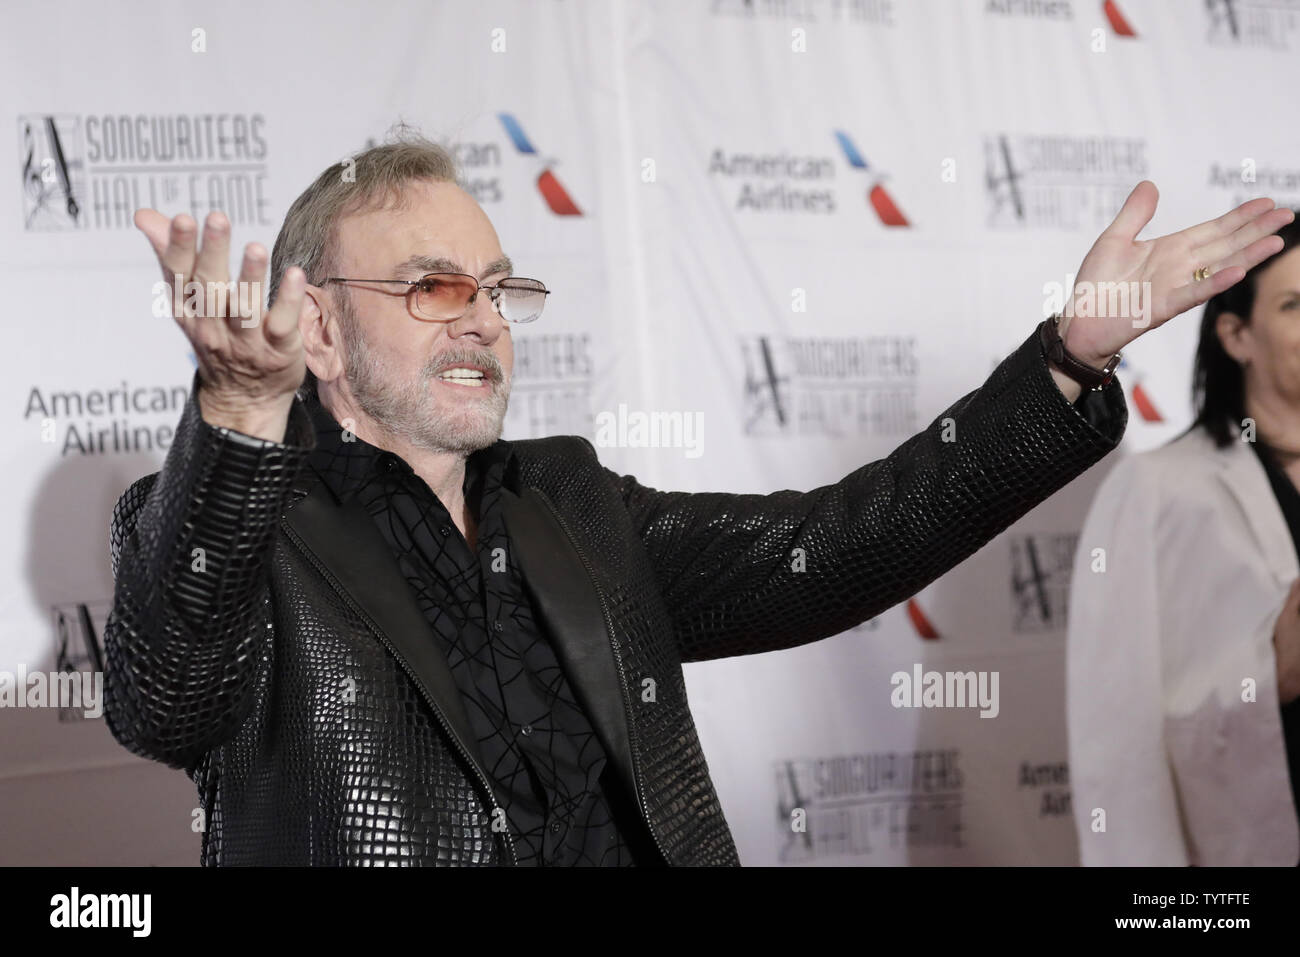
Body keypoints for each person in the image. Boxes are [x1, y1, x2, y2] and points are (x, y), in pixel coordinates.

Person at [102, 128, 1294, 866]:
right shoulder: (228, 521)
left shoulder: (567, 500)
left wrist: (1065, 362)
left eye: (499, 288)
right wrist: (242, 416)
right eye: (432, 285)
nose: (480, 314)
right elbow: (163, 700)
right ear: (315, 324)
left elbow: (834, 549)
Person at [1068, 215, 1300, 867]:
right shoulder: (1155, 490)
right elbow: (1119, 737)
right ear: (1236, 334)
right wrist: (1272, 671)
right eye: (1294, 304)